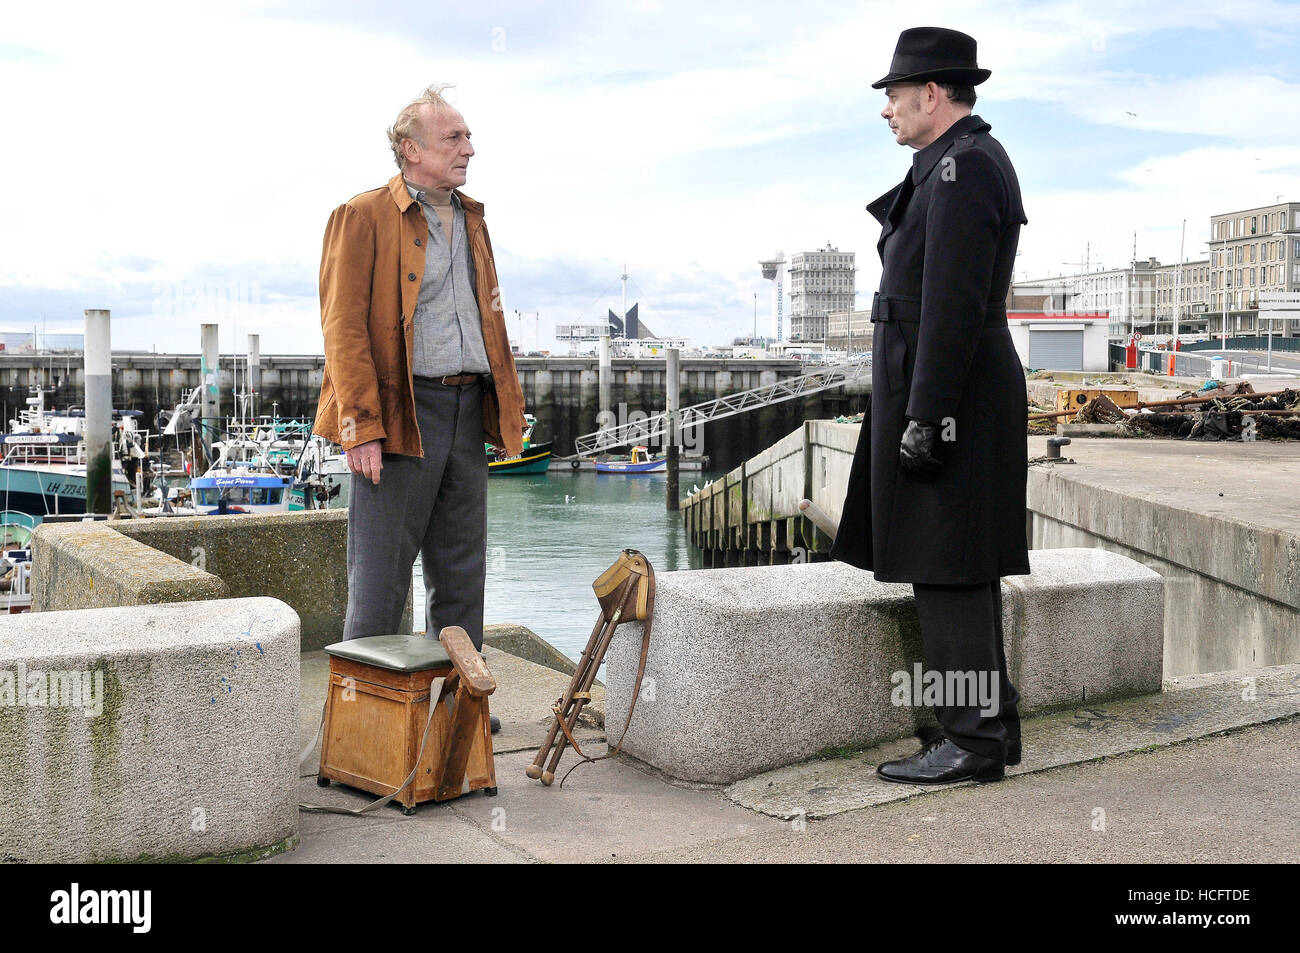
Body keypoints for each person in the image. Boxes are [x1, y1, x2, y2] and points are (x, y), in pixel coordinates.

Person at [831, 27, 1030, 784]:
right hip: (948, 389)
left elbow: (950, 305)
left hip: (950, 393)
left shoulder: (965, 167)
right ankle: (992, 725)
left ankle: (972, 741)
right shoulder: (956, 163)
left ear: (933, 94)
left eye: (893, 93)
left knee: (945, 565)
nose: (886, 108)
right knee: (959, 564)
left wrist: (926, 416)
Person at [312, 84, 526, 656]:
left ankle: (455, 713)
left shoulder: (471, 218)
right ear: (411, 148)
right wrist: (360, 428)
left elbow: (489, 323)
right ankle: (365, 729)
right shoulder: (361, 216)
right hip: (401, 412)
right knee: (380, 580)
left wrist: (505, 409)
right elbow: (344, 329)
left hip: (465, 408)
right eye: (454, 137)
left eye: (468, 136)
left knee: (462, 577)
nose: (469, 149)